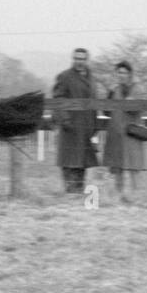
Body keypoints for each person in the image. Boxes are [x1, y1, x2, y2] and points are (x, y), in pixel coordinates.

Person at [52, 48, 99, 193]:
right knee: (70, 162)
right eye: (77, 58)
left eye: (82, 59)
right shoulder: (64, 77)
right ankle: (70, 193)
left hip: (87, 128)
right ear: (73, 59)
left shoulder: (92, 78)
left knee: (82, 163)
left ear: (86, 60)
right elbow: (58, 99)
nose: (79, 61)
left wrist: (94, 126)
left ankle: (79, 193)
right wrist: (66, 120)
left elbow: (94, 102)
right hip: (70, 128)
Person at [102, 61, 146, 193]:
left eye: (124, 72)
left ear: (130, 74)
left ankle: (136, 196)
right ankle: (118, 196)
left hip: (132, 132)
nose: (121, 75)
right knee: (117, 167)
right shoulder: (114, 90)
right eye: (119, 72)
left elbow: (137, 110)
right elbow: (106, 112)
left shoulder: (137, 89)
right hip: (116, 132)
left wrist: (129, 100)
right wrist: (109, 94)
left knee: (134, 167)